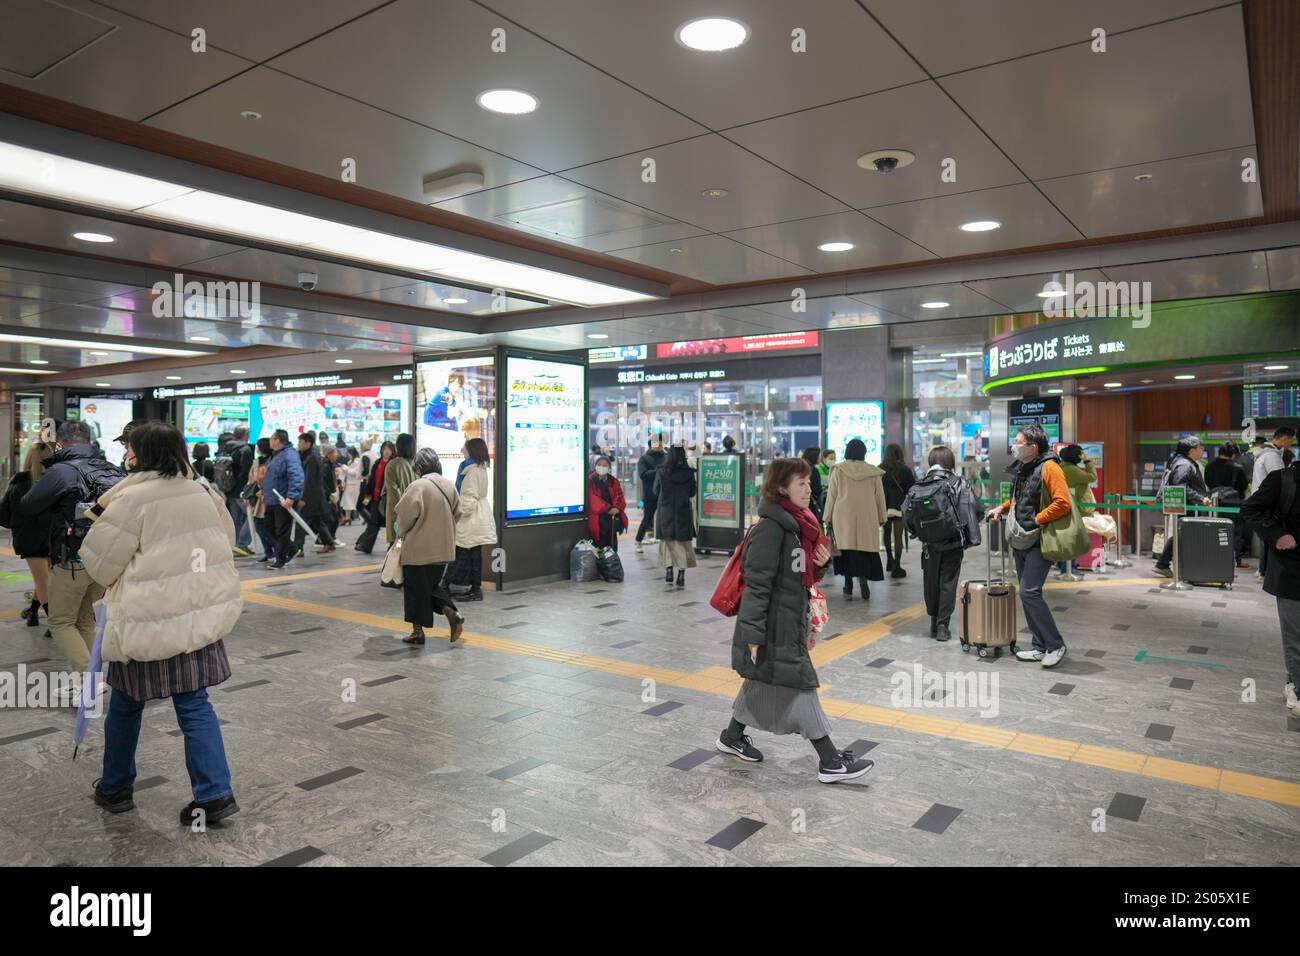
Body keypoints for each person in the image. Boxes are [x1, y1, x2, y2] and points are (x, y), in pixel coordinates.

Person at [80, 421, 242, 825]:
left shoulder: (131, 500)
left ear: (143, 454)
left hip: (146, 623)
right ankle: (215, 793)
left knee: (126, 704)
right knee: (194, 704)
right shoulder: (203, 492)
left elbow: (100, 564)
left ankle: (116, 788)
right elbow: (227, 539)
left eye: (130, 448)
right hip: (197, 619)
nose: (126, 455)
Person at [715, 457, 873, 783]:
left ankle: (731, 736)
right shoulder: (771, 529)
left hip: (790, 621)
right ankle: (829, 760)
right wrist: (754, 635)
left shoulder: (799, 525)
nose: (808, 488)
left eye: (808, 481)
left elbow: (800, 575)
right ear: (781, 487)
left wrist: (822, 563)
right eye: (800, 483)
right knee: (800, 683)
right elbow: (756, 587)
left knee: (761, 683)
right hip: (775, 626)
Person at [17, 421, 125, 673]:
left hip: (72, 559)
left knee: (60, 621)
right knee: (85, 619)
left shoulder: (61, 471)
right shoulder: (111, 469)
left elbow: (28, 505)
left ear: (60, 444)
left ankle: (88, 679)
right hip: (104, 558)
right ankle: (90, 678)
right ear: (89, 442)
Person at [987, 424, 1072, 668]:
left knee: (1029, 592)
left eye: (1019, 442)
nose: (1015, 446)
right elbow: (1021, 498)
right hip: (1023, 537)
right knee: (1028, 593)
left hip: (1039, 538)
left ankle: (1055, 644)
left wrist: (1037, 519)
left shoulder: (1050, 467)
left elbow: (1062, 503)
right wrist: (1003, 508)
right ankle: (1039, 645)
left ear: (1033, 447)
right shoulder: (1026, 467)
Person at [903, 446, 983, 642]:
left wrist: (920, 532)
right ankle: (942, 626)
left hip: (929, 545)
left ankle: (933, 620)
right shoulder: (959, 483)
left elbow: (907, 515)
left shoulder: (919, 485)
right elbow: (976, 510)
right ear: (950, 462)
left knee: (931, 582)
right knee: (948, 582)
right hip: (953, 544)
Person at [1240, 461, 1300, 717]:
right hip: (1291, 571)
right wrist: (1276, 535)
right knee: (1295, 636)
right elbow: (1251, 509)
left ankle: (1292, 681)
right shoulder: (1284, 479)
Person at [395, 448, 465, 645]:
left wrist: (399, 532)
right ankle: (451, 612)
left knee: (415, 590)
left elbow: (405, 517)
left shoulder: (418, 486)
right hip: (443, 548)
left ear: (418, 467)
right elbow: (458, 512)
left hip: (418, 549)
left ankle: (418, 632)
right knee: (431, 587)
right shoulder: (449, 485)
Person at [0, 442, 55, 630]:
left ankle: (42, 617)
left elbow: (3, 516)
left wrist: (19, 525)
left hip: (29, 540)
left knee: (42, 580)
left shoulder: (17, 482)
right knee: (47, 579)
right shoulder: (56, 481)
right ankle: (44, 617)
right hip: (54, 537)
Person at [823, 438, 886, 601]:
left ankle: (848, 585)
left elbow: (832, 496)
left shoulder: (838, 470)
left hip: (843, 514)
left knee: (846, 549)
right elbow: (880, 497)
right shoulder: (873, 472)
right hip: (867, 514)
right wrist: (882, 516)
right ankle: (863, 579)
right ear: (864, 452)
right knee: (863, 548)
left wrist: (827, 516)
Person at [1153, 436, 1209, 578]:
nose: (1203, 450)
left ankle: (1165, 564)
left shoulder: (1183, 462)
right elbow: (1181, 487)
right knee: (1183, 534)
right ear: (1192, 450)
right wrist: (1201, 498)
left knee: (1183, 534)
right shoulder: (1185, 464)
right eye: (1200, 448)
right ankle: (1163, 564)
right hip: (1187, 506)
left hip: (1187, 505)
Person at [450, 437, 495, 601]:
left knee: (460, 551)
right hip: (479, 516)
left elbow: (467, 497)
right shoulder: (480, 469)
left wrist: (457, 515)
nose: (462, 450)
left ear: (471, 451)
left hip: (471, 518)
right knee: (473, 554)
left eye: (465, 448)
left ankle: (446, 586)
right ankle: (475, 589)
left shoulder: (471, 471)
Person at [653, 444, 697, 588]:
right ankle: (681, 575)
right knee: (682, 543)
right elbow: (692, 492)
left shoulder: (661, 471)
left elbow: (656, 490)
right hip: (683, 511)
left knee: (667, 542)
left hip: (666, 511)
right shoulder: (689, 473)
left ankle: (669, 572)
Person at [263, 428, 305, 570]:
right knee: (269, 528)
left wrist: (292, 496)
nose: (270, 441)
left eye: (271, 438)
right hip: (272, 499)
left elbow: (297, 476)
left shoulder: (289, 455)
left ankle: (280, 559)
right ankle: (292, 548)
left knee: (282, 530)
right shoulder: (276, 455)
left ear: (277, 440)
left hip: (283, 500)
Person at [1205, 440, 1250, 569]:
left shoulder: (1209, 466)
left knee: (1214, 530)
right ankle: (1236, 560)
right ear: (1234, 454)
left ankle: (1214, 556)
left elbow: (1208, 482)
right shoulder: (1237, 469)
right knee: (1235, 532)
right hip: (1233, 505)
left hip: (1214, 503)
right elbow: (1243, 487)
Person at [293, 432, 338, 556]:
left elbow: (309, 480)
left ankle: (298, 548)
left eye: (300, 442)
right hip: (315, 496)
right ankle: (329, 543)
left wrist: (303, 497)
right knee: (317, 521)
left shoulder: (312, 458)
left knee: (300, 521)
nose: (298, 445)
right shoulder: (308, 456)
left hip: (311, 497)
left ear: (308, 443)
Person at [1056, 444, 1097, 575]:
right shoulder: (1072, 470)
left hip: (1065, 507)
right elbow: (1092, 477)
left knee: (1068, 538)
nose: (1082, 456)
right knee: (1072, 539)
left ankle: (1066, 566)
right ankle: (1067, 569)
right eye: (1080, 454)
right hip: (1074, 508)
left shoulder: (1062, 468)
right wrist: (1088, 461)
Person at [881, 443, 915, 579]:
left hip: (884, 506)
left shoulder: (879, 469)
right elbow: (911, 489)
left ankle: (889, 560)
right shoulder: (905, 470)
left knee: (886, 533)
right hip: (899, 506)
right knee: (898, 536)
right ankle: (897, 565)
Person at [221, 425, 255, 557]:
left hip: (228, 488)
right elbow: (246, 471)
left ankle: (235, 545)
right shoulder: (245, 449)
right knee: (251, 516)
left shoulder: (227, 447)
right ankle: (242, 544)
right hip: (241, 489)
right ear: (245, 434)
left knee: (236, 519)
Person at [356, 440, 394, 555]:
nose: (386, 452)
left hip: (388, 500)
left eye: (389, 449)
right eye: (384, 449)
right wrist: (368, 494)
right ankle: (366, 545)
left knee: (392, 525)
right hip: (376, 498)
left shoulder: (393, 464)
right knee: (373, 522)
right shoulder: (378, 462)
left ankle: (394, 547)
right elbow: (372, 479)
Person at [634, 435, 667, 554]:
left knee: (665, 519)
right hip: (650, 494)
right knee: (647, 519)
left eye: (660, 443)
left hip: (664, 494)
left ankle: (665, 543)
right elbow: (643, 475)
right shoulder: (644, 459)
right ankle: (638, 540)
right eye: (656, 443)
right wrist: (658, 471)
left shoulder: (666, 457)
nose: (659, 445)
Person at [587, 455, 628, 551]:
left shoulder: (613, 481)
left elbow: (619, 496)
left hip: (611, 521)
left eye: (605, 465)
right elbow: (593, 499)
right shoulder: (590, 481)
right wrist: (608, 508)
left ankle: (611, 564)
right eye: (599, 465)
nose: (602, 467)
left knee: (612, 549)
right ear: (595, 466)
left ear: (609, 468)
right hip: (597, 521)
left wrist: (616, 508)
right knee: (598, 550)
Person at [384, 433, 417, 548]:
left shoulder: (393, 465)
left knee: (396, 547)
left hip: (397, 515)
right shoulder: (416, 464)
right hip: (414, 513)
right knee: (409, 546)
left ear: (398, 446)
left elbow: (394, 493)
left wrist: (401, 512)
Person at [250, 437, 277, 563]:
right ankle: (269, 551)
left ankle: (278, 549)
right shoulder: (257, 461)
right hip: (258, 498)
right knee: (258, 524)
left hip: (269, 497)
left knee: (267, 525)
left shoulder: (273, 461)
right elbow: (251, 478)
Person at [800, 447, 824, 523]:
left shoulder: (799, 466)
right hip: (810, 505)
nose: (820, 458)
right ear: (814, 456)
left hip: (800, 505)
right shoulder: (813, 470)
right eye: (819, 456)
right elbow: (817, 490)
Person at [340, 447, 362, 525]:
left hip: (354, 485)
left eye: (349, 453)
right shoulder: (351, 461)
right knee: (347, 502)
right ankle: (347, 517)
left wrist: (345, 468)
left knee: (352, 502)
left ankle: (348, 517)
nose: (348, 455)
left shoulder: (357, 461)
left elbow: (355, 473)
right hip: (349, 484)